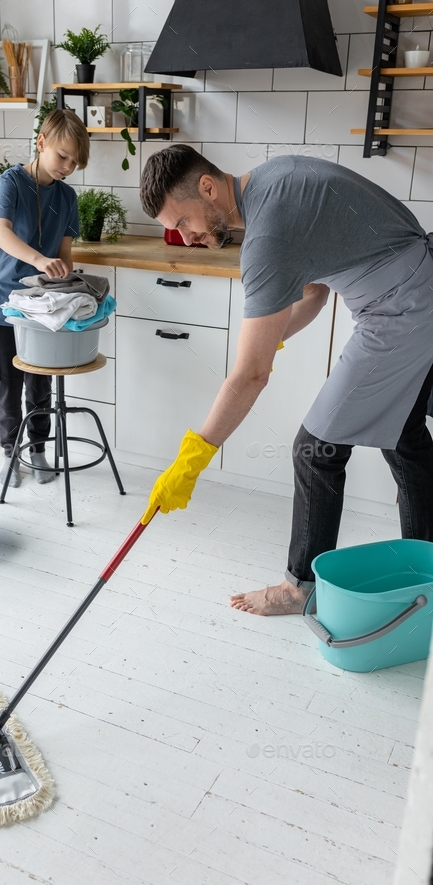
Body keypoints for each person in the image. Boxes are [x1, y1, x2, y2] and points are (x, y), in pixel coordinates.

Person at [139, 144, 433, 616]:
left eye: (183, 222)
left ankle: (300, 587)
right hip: (422, 284)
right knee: (404, 435)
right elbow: (315, 291)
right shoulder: (274, 178)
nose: (186, 236)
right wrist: (272, 337)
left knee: (315, 449)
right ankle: (427, 569)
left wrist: (192, 459)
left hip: (402, 309)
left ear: (207, 188)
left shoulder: (266, 239)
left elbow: (250, 376)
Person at [0, 109, 90, 487]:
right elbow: (2, 234)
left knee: (40, 381)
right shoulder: (9, 183)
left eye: (75, 162)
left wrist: (66, 284)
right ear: (41, 143)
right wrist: (41, 261)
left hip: (42, 306)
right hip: (2, 301)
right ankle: (11, 454)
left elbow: (66, 251)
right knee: (6, 382)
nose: (68, 166)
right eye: (63, 156)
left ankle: (39, 450)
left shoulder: (68, 196)